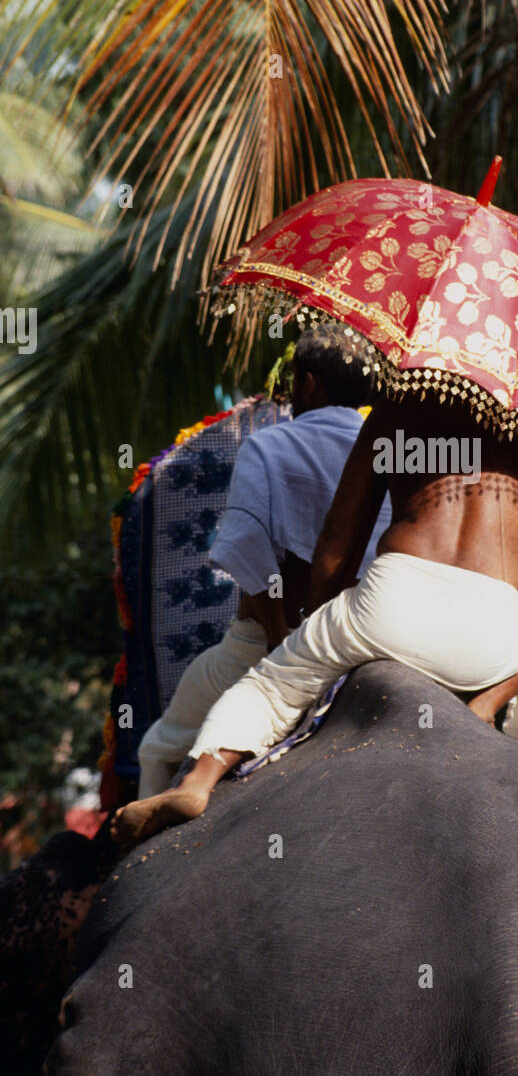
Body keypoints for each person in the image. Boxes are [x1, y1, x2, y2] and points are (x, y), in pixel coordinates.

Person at [113, 384, 518, 846]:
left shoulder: (398, 408)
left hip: (391, 606)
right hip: (488, 635)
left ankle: (199, 778)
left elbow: (340, 541)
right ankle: (484, 705)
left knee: (272, 684)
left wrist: (317, 623)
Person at [121, 326, 391, 808]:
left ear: (309, 384)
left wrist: (279, 642)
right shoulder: (387, 453)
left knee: (156, 747)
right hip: (373, 639)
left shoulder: (270, 447)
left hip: (270, 643)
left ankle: (143, 835)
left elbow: (250, 554)